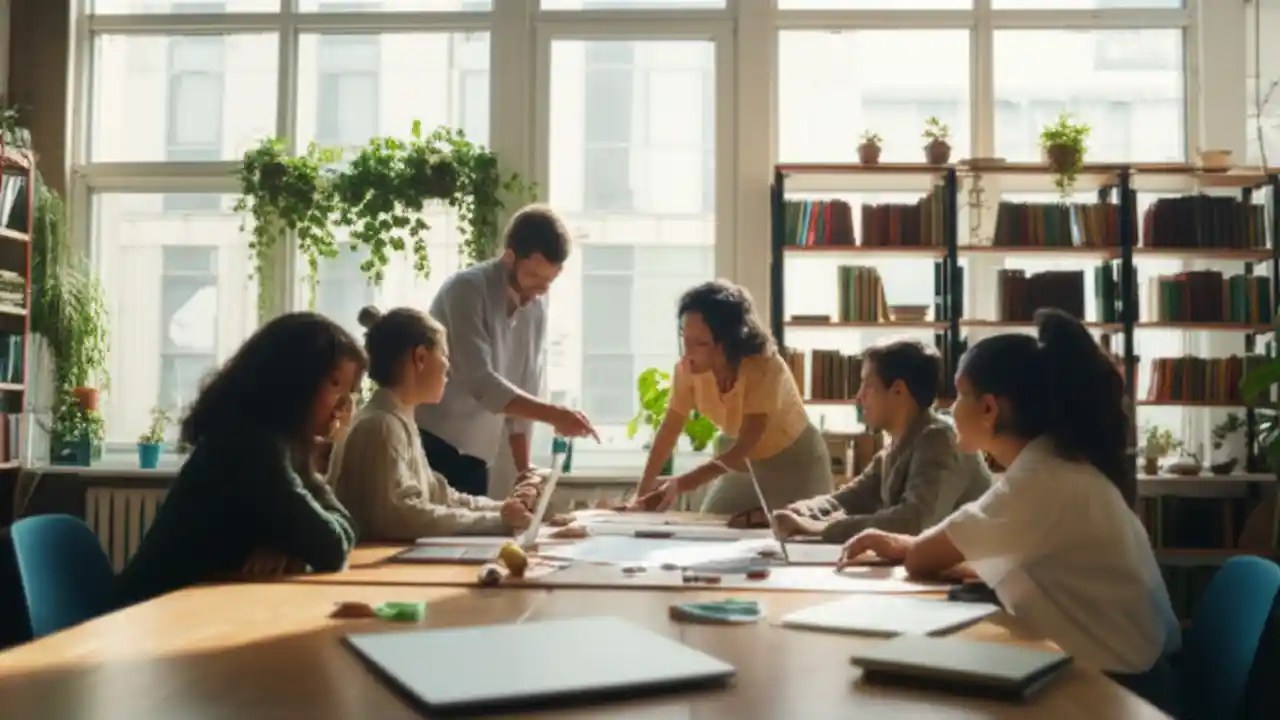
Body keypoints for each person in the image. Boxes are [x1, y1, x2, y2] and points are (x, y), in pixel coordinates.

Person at [837, 309, 1180, 715]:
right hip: (1125, 670)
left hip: (1119, 692)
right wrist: (906, 545)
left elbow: (922, 557)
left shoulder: (1041, 480)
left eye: (960, 395)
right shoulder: (1053, 466)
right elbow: (994, 559)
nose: (951, 409)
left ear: (989, 409)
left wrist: (905, 547)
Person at [116, 313, 362, 606]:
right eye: (335, 384)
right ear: (295, 379)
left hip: (196, 605)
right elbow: (331, 547)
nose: (343, 406)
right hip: (153, 612)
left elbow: (344, 527)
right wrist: (299, 540)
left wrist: (289, 543)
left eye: (349, 392)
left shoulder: (283, 442)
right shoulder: (249, 443)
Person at [416, 204, 597, 497]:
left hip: (476, 457)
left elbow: (525, 384)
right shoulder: (466, 290)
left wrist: (524, 469)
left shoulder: (537, 306)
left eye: (549, 280)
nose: (540, 288)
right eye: (533, 276)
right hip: (432, 441)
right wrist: (555, 414)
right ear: (509, 257)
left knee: (473, 523)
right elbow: (480, 381)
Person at [327, 306, 535, 540]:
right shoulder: (381, 426)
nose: (448, 367)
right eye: (444, 355)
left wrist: (505, 509)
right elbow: (403, 517)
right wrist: (497, 522)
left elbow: (441, 496)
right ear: (421, 358)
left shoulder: (399, 421)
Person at [631, 280, 833, 518]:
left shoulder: (764, 367)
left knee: (802, 532)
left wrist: (682, 483)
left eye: (701, 343)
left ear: (728, 342)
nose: (688, 352)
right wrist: (641, 496)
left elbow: (744, 446)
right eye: (685, 338)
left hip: (797, 462)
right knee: (711, 524)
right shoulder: (687, 371)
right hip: (742, 464)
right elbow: (669, 429)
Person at [772, 339, 991, 543]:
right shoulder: (897, 445)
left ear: (898, 391)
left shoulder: (939, 441)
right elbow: (851, 498)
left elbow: (913, 522)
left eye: (867, 385)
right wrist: (803, 511)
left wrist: (821, 528)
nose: (859, 397)